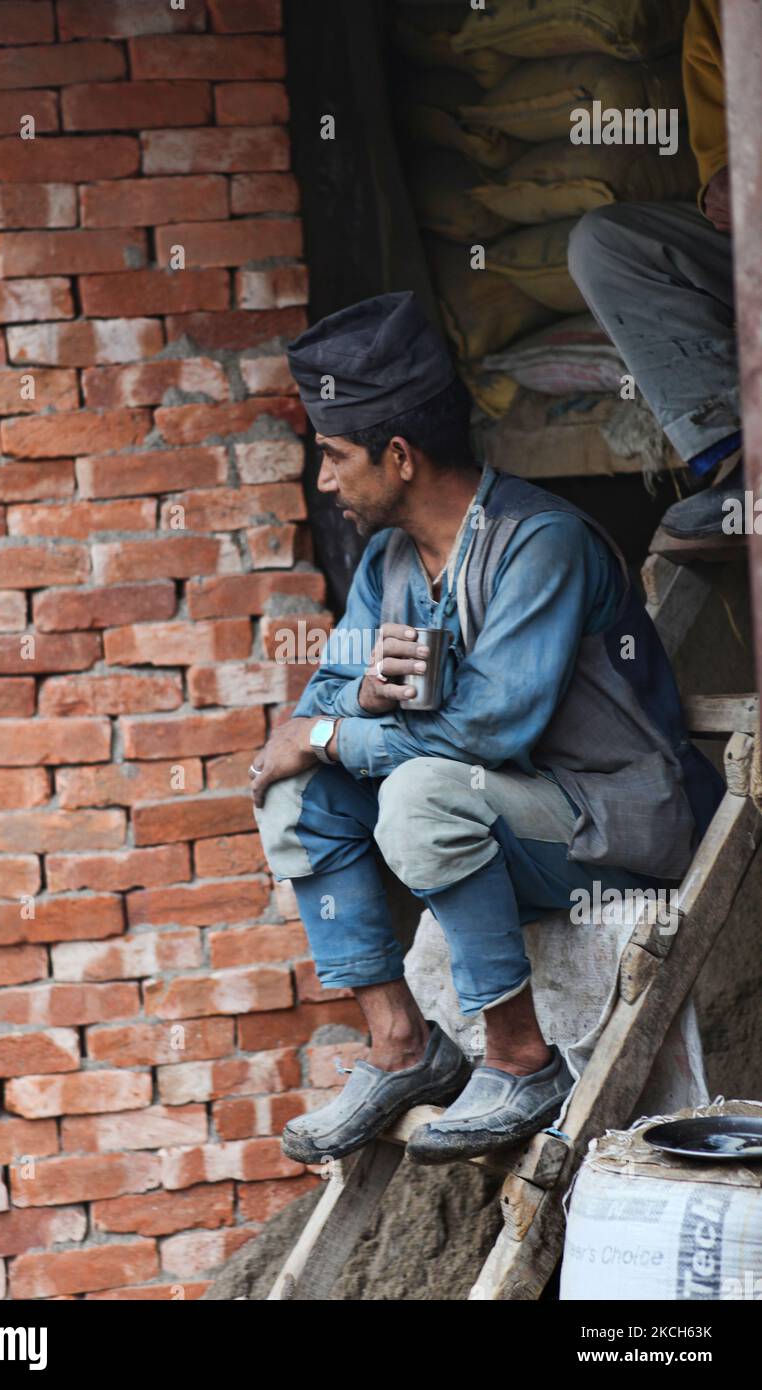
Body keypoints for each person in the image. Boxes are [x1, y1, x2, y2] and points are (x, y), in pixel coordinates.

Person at [249, 290, 724, 1165]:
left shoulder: (539, 542)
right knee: (299, 795)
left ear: (398, 455)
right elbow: (323, 698)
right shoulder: (389, 558)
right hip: (503, 825)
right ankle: (403, 1047)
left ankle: (519, 1058)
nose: (323, 480)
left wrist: (328, 733)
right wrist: (354, 707)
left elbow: (483, 733)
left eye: (333, 456)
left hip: (608, 821)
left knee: (423, 792)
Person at [568, 0, 741, 539]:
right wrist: (722, 186)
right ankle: (744, 459)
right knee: (606, 245)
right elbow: (720, 166)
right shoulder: (718, 14)